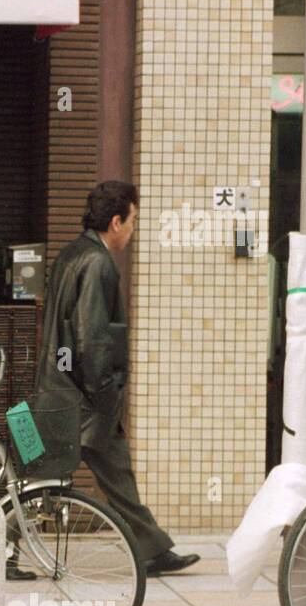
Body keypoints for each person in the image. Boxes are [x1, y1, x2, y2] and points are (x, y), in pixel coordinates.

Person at [32, 180, 198, 577]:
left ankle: (151, 547)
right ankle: (151, 548)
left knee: (56, 471)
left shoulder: (72, 254)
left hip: (59, 384)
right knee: (52, 474)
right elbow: (92, 337)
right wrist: (104, 392)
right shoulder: (99, 264)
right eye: (133, 221)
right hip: (84, 393)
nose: (133, 231)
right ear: (116, 221)